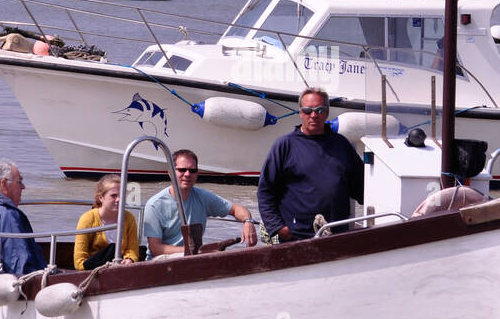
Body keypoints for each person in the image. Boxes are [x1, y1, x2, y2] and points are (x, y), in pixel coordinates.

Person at [258, 89, 365, 241]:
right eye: (308, 111)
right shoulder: (284, 145)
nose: (314, 115)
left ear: (327, 112)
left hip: (337, 237)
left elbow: (362, 188)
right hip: (295, 238)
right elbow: (265, 192)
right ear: (300, 113)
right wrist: (278, 228)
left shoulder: (342, 145)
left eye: (319, 110)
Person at [143, 149, 257, 257]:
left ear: (197, 174)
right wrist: (198, 251)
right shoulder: (154, 205)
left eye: (192, 170)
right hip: (162, 260)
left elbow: (236, 209)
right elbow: (155, 249)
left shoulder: (203, 197)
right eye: (182, 170)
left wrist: (248, 221)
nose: (187, 174)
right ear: (170, 172)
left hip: (194, 257)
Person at [74, 174, 141, 269]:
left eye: (122, 195)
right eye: (113, 196)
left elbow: (132, 249)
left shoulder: (129, 218)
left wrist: (130, 259)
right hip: (94, 270)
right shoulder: (88, 219)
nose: (118, 199)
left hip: (121, 268)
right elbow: (79, 260)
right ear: (101, 198)